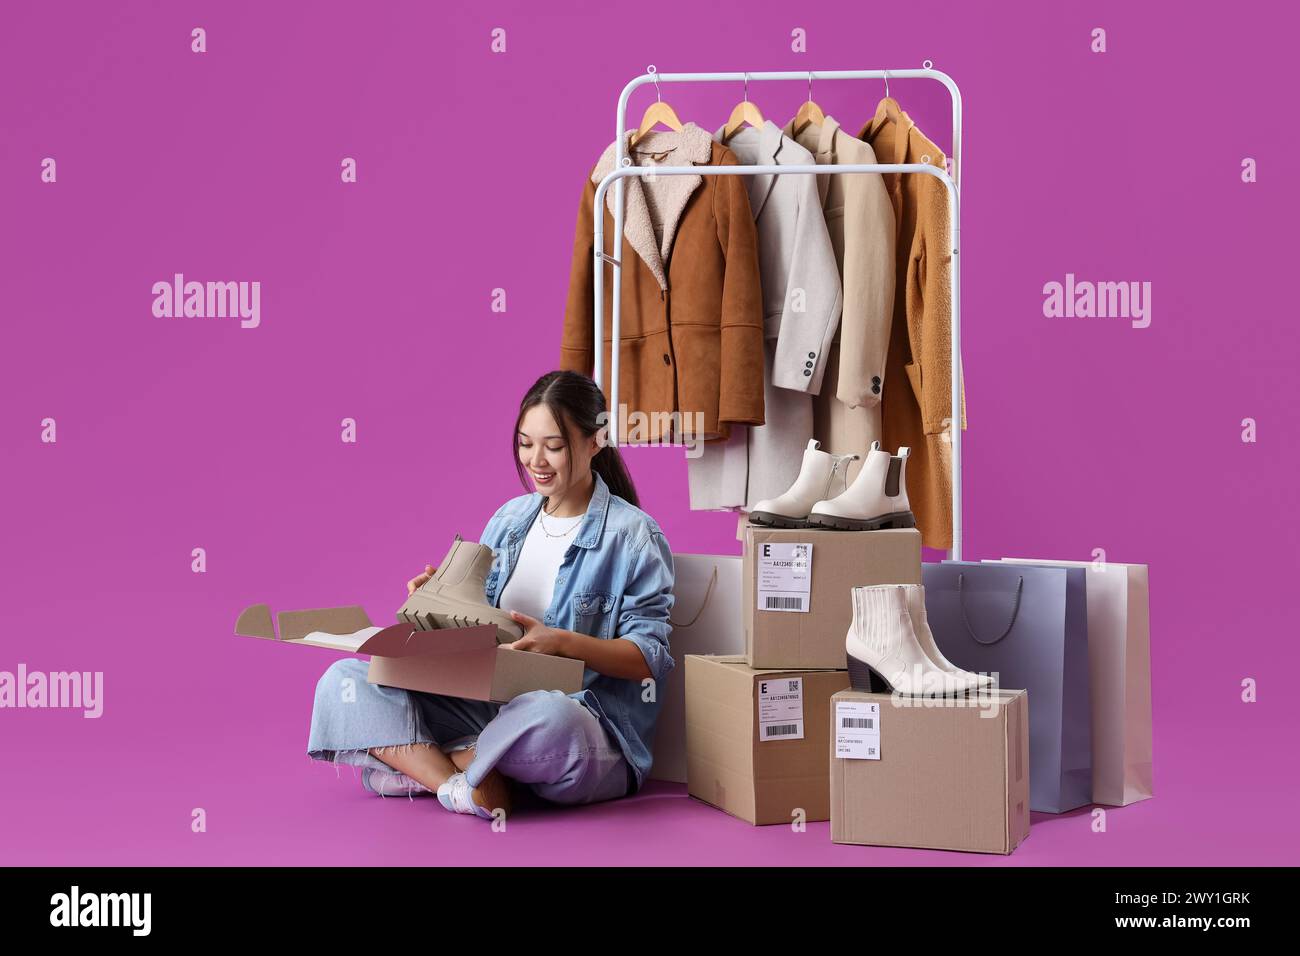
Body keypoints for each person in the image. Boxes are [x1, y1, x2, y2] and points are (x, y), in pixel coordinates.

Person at [306, 370, 676, 820]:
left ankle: (426, 767)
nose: (535, 460)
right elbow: (483, 625)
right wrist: (440, 601)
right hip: (485, 707)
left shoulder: (633, 535)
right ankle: (460, 784)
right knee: (343, 679)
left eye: (554, 446)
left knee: (550, 716)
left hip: (580, 723)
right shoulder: (509, 519)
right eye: (524, 443)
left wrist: (560, 642)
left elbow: (648, 659)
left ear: (596, 441)